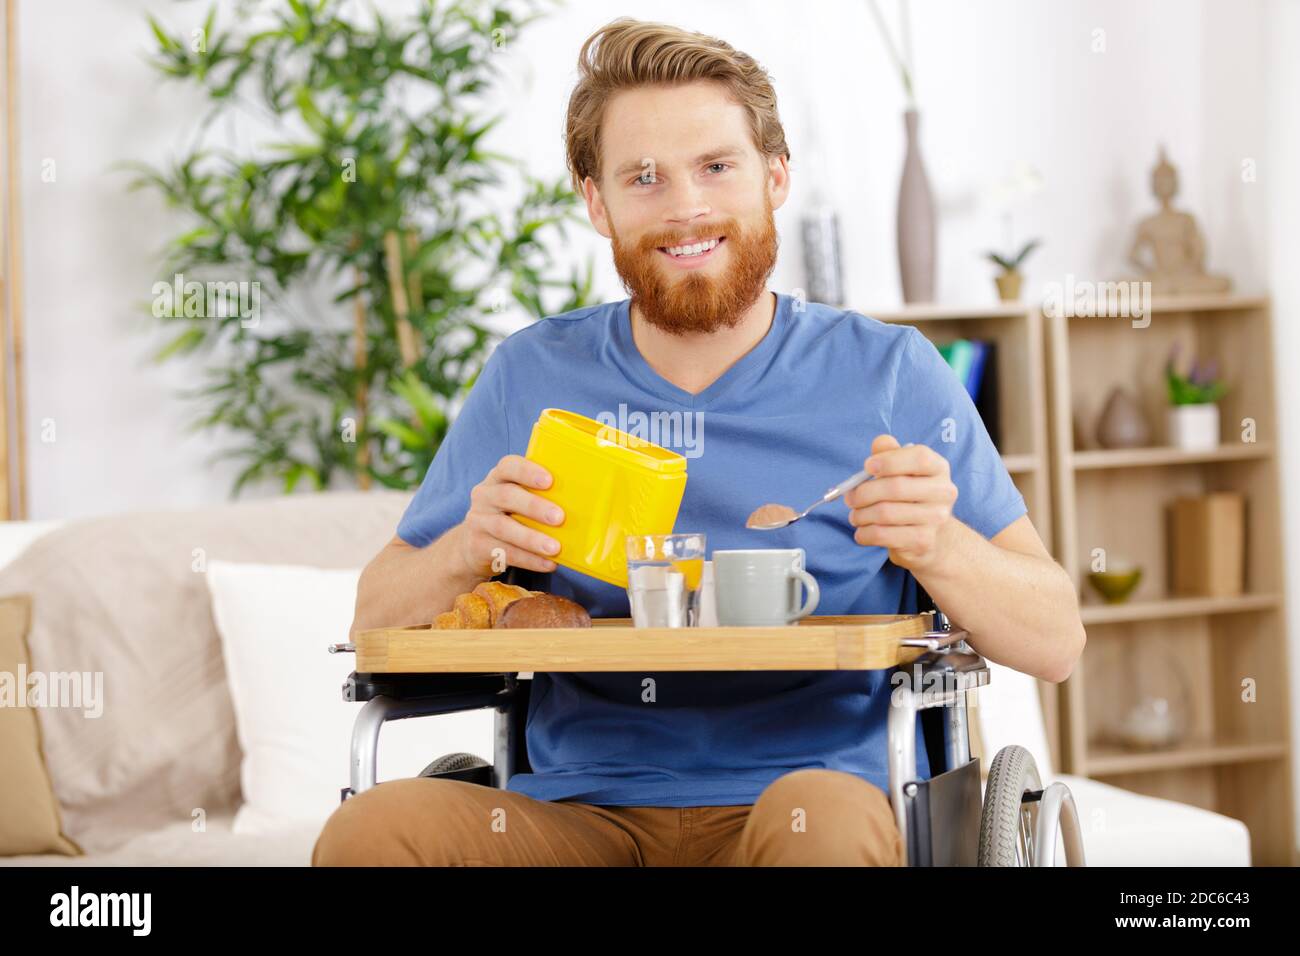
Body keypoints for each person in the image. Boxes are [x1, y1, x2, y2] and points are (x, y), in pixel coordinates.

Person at [313, 17, 1085, 867]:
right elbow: (374, 618)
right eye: (643, 178)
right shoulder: (532, 377)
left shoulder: (890, 372)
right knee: (371, 834)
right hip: (579, 814)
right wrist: (467, 547)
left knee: (820, 817)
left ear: (775, 176)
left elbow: (1056, 641)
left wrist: (940, 546)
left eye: (717, 166)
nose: (686, 207)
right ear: (596, 202)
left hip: (807, 802)